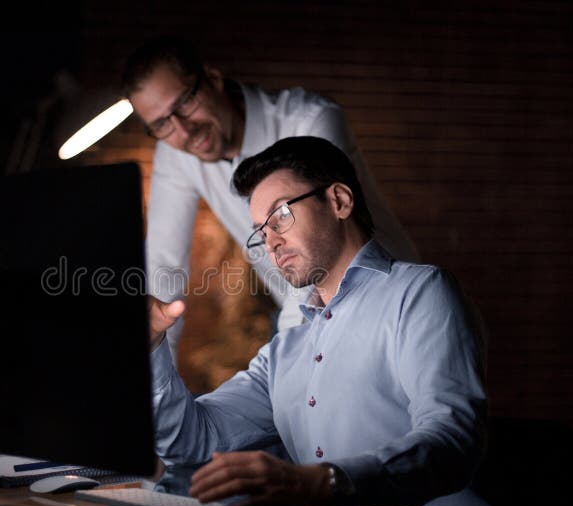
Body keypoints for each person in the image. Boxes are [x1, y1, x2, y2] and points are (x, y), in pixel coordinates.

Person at [146, 137, 489, 506]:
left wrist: (323, 482)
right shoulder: (285, 350)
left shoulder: (419, 292)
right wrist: (152, 345)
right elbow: (191, 443)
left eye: (280, 216)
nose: (271, 242)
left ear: (339, 201)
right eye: (260, 231)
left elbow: (452, 441)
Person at [123, 36, 419, 338]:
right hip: (305, 322)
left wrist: (288, 349)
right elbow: (163, 267)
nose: (184, 130)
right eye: (161, 124)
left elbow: (321, 247)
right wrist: (149, 355)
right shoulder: (175, 154)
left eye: (186, 102)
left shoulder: (310, 120)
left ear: (213, 78)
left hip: (393, 304)